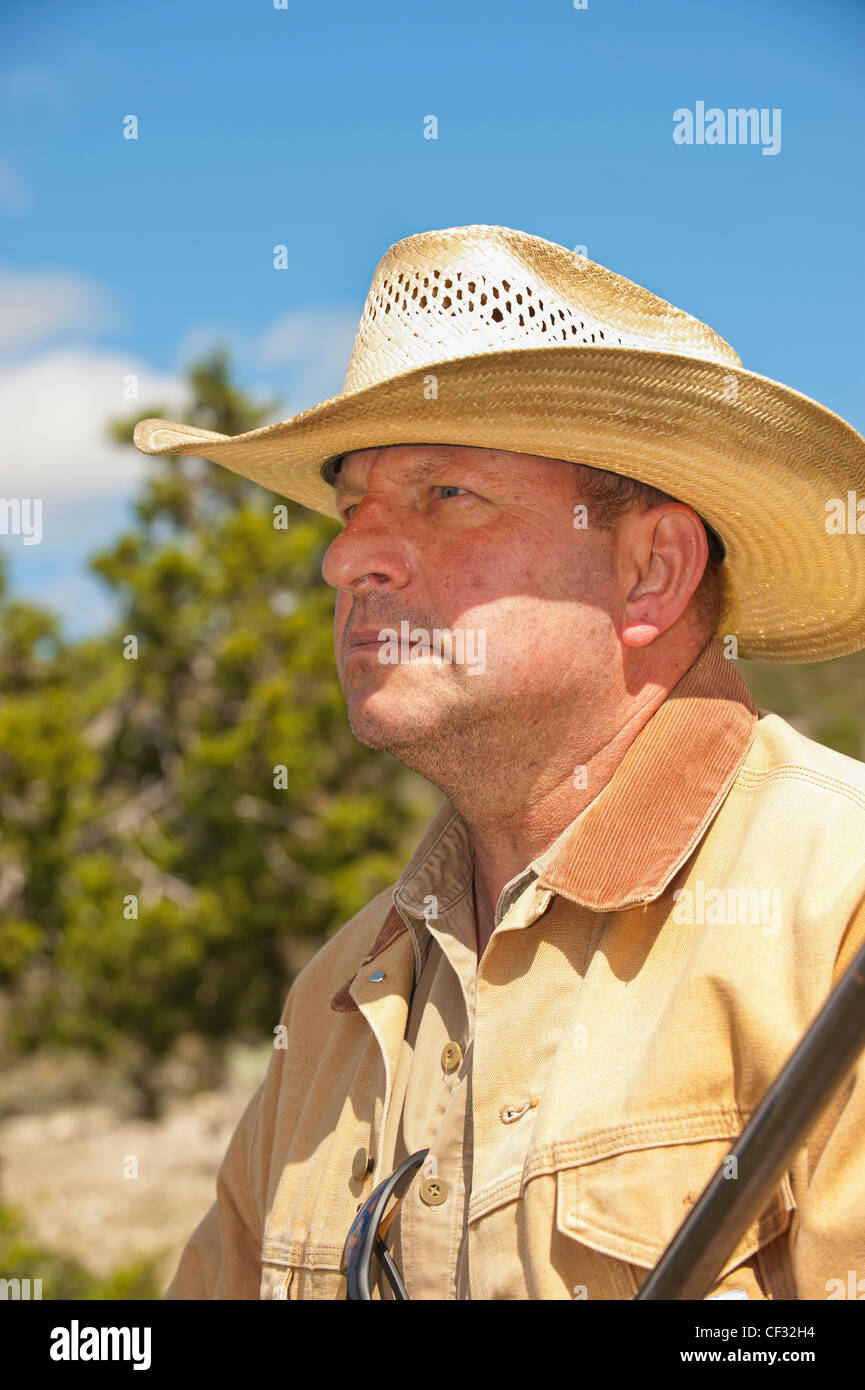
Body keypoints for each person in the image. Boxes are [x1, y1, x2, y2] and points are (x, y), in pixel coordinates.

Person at [134, 224, 865, 1299]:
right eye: (350, 511)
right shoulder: (336, 994)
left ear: (651, 570)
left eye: (445, 495)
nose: (345, 557)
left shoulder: (836, 907)